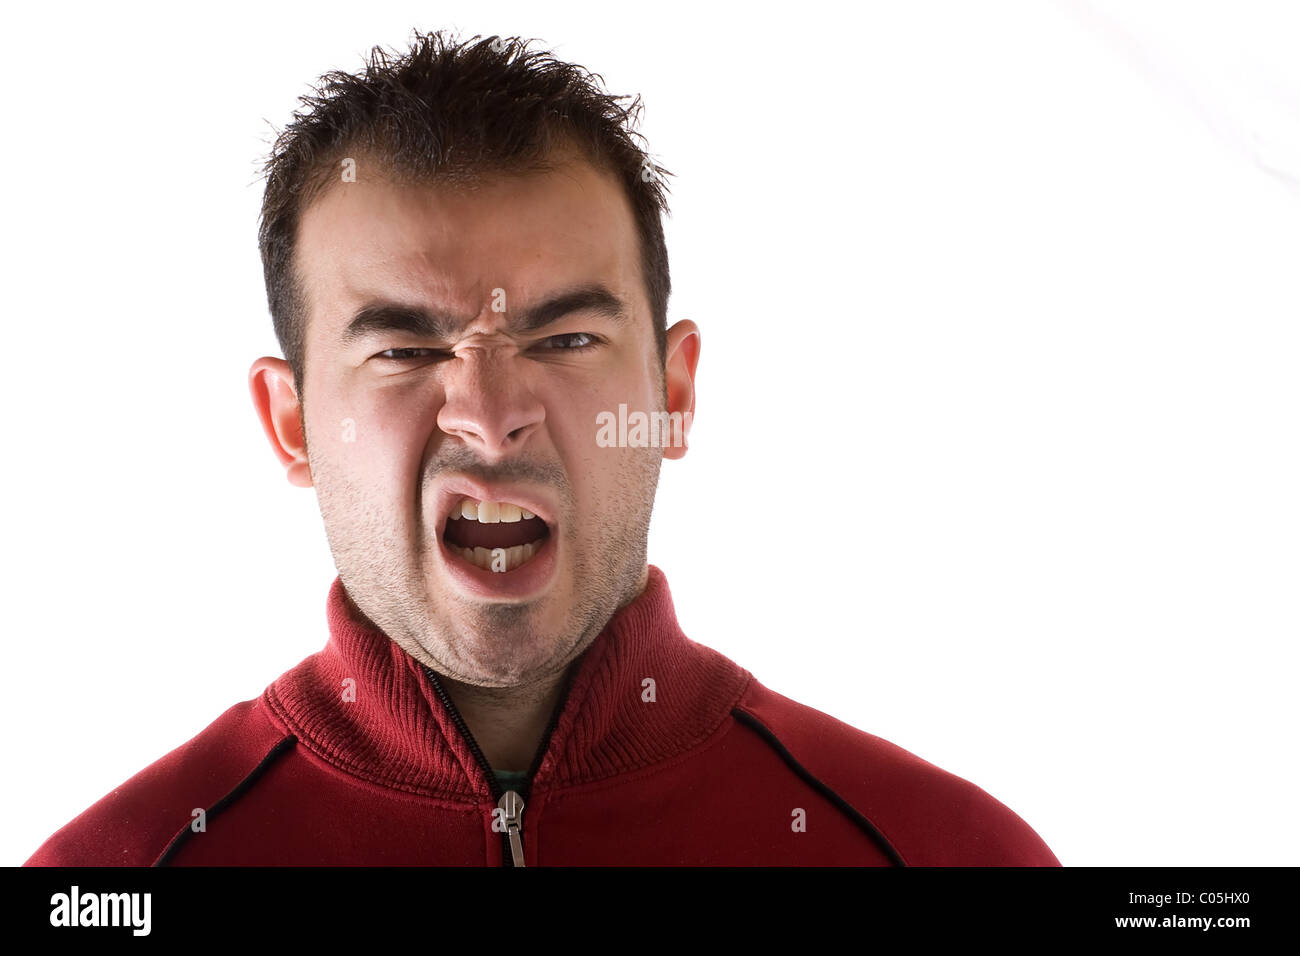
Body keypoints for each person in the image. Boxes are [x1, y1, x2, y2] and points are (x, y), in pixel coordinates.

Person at [26, 30, 1058, 866]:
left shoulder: (941, 853)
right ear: (291, 422)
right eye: (405, 347)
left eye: (565, 338)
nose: (490, 410)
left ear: (670, 391)